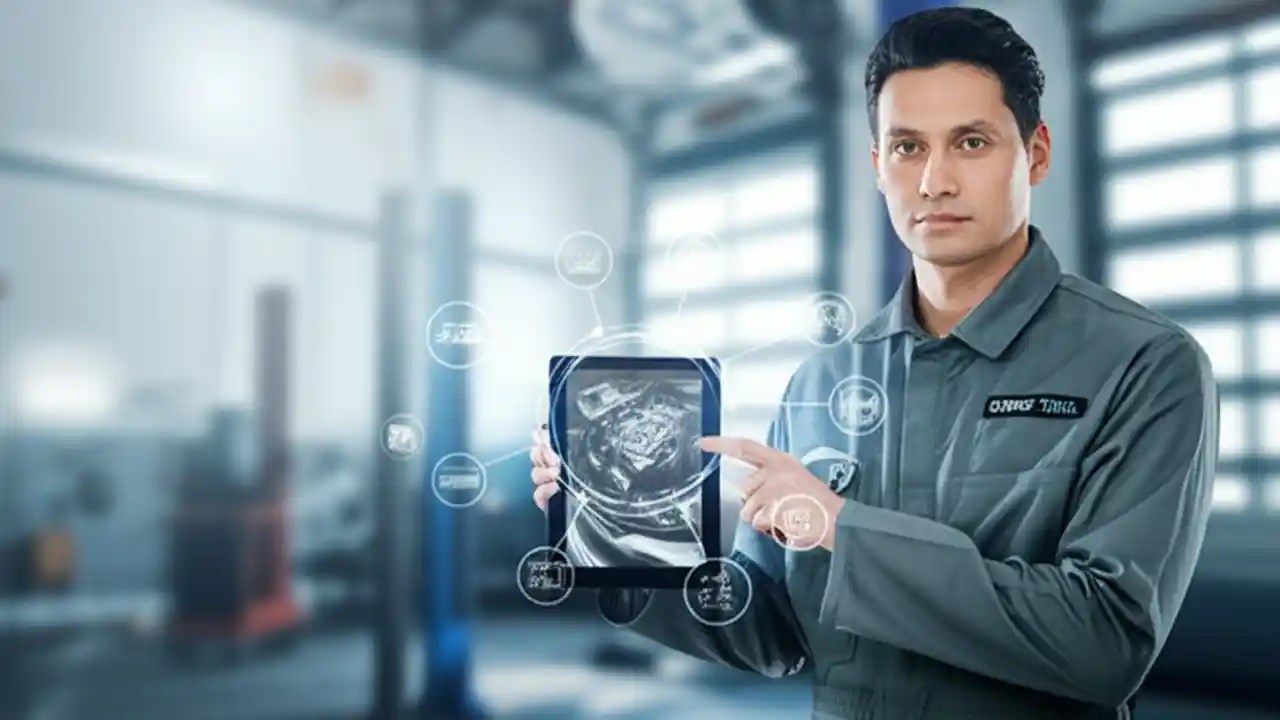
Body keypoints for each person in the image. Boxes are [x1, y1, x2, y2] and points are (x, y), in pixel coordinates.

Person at [530, 7, 1218, 719]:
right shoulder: (821, 383)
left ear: (1036, 153)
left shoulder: (1144, 365)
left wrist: (840, 527)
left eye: (972, 142)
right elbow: (771, 631)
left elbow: (1104, 644)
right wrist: (617, 545)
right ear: (877, 164)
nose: (934, 181)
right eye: (907, 147)